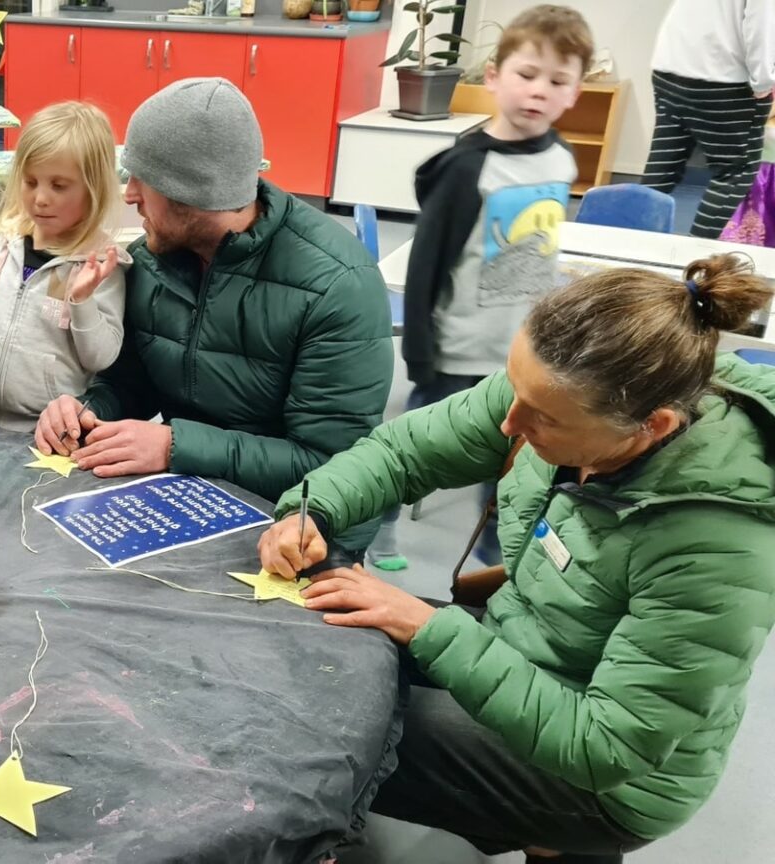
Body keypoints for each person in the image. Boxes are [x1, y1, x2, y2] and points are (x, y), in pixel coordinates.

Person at [258, 255, 775, 862]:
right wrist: (315, 510)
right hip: (524, 641)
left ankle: (562, 834)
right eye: (514, 387)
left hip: (613, 779)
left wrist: (427, 628)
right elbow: (406, 452)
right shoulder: (561, 384)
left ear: (651, 427)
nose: (509, 422)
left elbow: (609, 746)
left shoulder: (717, 546)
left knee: (320, 725)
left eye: (542, 419)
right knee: (318, 638)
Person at [34, 78, 393, 553]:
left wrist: (173, 446)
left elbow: (330, 463)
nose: (129, 194)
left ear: (192, 192)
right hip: (190, 498)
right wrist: (87, 413)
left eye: (143, 179)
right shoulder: (150, 262)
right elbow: (129, 383)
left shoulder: (337, 286)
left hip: (302, 533)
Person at [373, 4, 591, 570]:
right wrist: (420, 353)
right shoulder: (468, 169)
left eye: (557, 81)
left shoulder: (562, 159)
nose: (539, 90)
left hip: (524, 351)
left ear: (574, 93)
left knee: (517, 463)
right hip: (457, 352)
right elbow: (425, 266)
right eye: (527, 74)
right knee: (417, 448)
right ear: (494, 76)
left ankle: (497, 557)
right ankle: (379, 528)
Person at [0, 101, 128, 431]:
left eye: (58, 185)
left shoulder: (100, 266)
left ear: (93, 189)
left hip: (45, 431)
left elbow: (100, 357)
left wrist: (82, 301)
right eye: (30, 181)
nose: (40, 198)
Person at [644, 0, 775, 239]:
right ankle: (699, 257)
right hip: (723, 81)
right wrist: (765, 81)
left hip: (669, 67)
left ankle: (628, 245)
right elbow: (760, 25)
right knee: (734, 174)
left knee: (663, 166)